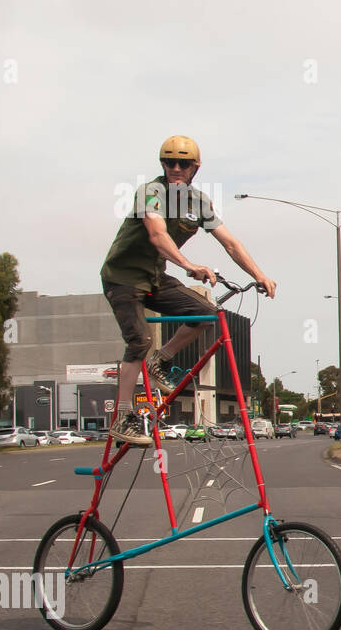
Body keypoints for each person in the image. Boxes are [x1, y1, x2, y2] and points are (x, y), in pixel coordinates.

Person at [100, 135, 277, 445]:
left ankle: (161, 361)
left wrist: (259, 274)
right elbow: (156, 234)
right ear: (163, 165)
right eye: (170, 162)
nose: (176, 168)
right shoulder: (151, 193)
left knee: (206, 314)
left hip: (154, 278)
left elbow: (230, 243)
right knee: (139, 340)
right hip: (123, 278)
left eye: (183, 164)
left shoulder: (198, 202)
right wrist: (188, 265)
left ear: (195, 168)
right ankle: (123, 416)